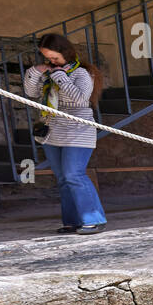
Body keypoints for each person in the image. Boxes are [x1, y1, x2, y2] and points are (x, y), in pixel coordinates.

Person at [23, 34, 109, 234]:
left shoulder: (82, 73)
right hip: (52, 131)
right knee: (62, 178)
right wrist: (36, 71)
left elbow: (80, 100)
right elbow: (32, 93)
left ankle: (94, 219)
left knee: (74, 174)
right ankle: (71, 222)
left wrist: (60, 76)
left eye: (54, 58)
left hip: (77, 132)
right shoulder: (49, 72)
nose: (51, 62)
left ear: (65, 52)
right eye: (48, 58)